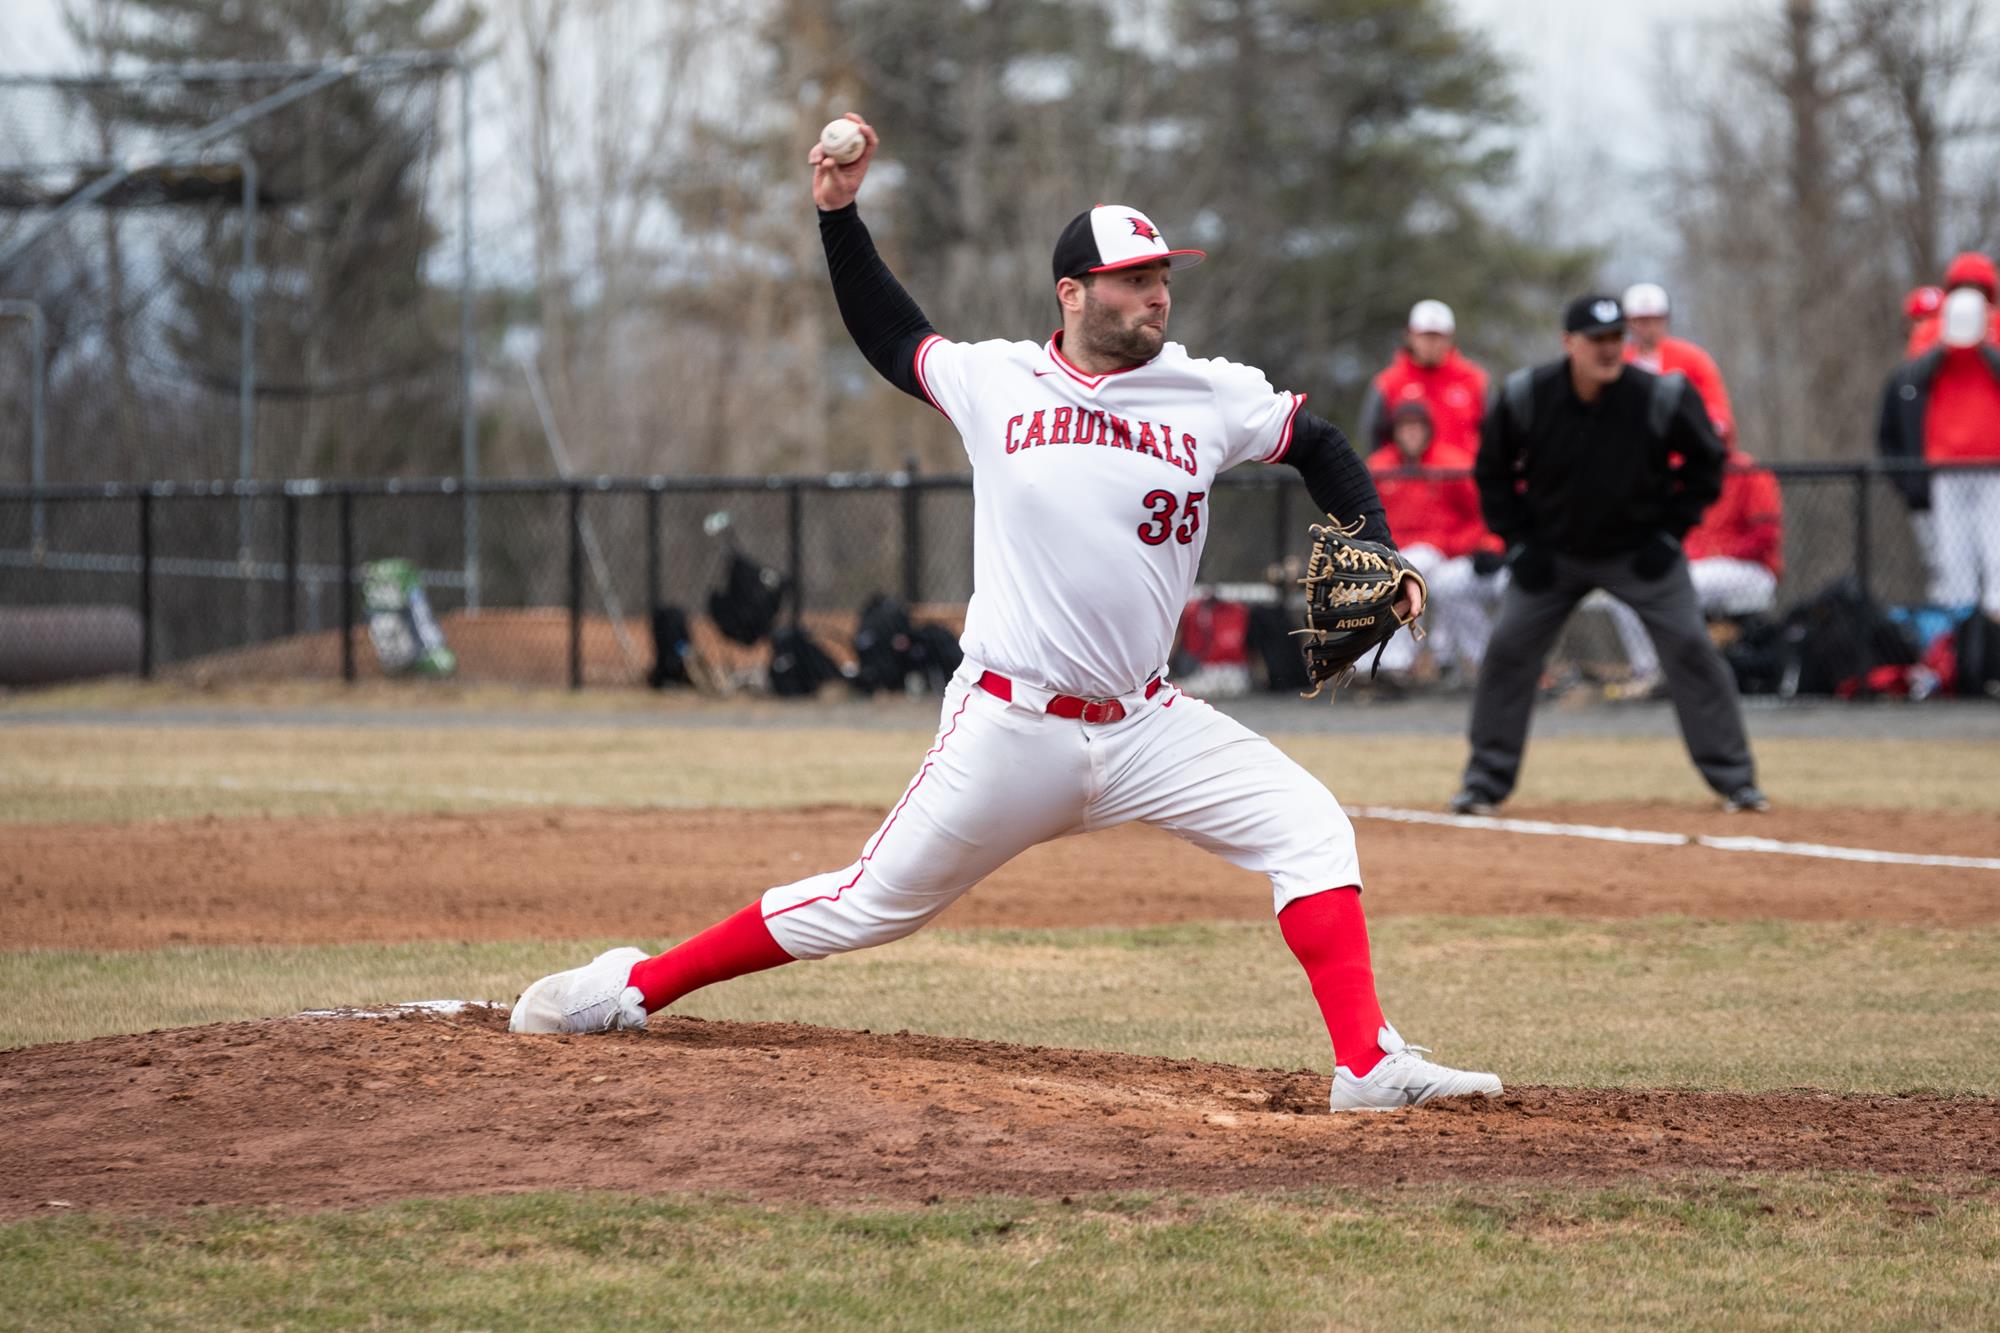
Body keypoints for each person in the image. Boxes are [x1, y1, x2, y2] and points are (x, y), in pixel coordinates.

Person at [508, 114, 1503, 1113]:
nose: (1156, 292)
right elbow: (891, 335)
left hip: (1149, 722)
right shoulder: (997, 380)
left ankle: (1366, 1065)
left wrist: (1375, 542)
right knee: (864, 905)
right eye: (1131, 277)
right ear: (1072, 293)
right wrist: (839, 217)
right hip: (1010, 723)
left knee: (1307, 828)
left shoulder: (1207, 391)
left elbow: (1319, 442)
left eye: (1162, 275)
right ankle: (631, 987)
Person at [1450, 294, 1767, 815]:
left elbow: (1708, 464)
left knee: (1691, 646)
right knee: (1507, 650)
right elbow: (1492, 471)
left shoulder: (1659, 395)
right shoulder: (1528, 394)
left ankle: (1736, 781)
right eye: (1596, 339)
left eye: (1616, 337)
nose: (1608, 349)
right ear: (1568, 343)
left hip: (1640, 554)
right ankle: (1483, 783)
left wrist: (1671, 532)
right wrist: (1519, 543)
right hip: (1551, 556)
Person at [1609, 442, 1785, 695]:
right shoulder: (1680, 476)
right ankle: (1649, 672)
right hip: (1697, 568)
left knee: (1685, 583)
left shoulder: (1748, 471)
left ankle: (1681, 670)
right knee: (1624, 591)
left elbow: (1766, 537)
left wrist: (1721, 551)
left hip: (1750, 571)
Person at [1886, 252, 2000, 623]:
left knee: (1996, 560)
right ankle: (1960, 649)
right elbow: (1910, 380)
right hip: (1947, 464)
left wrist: (1982, 343)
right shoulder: (1932, 331)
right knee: (1954, 567)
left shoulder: (1997, 326)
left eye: (1977, 290)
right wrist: (1948, 344)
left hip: (1993, 463)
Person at [1367, 395, 1505, 683]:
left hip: (1441, 553)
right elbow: (1363, 518)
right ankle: (1373, 666)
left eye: (1418, 426)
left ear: (1429, 429)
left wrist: (1475, 545)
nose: (1412, 433)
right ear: (1394, 431)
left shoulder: (1452, 464)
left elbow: (1481, 515)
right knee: (1375, 574)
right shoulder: (1379, 466)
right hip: (1391, 551)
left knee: (1408, 570)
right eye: (1405, 427)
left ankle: (1399, 663)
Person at [1356, 299, 1489, 457]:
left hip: (1462, 479)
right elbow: (1372, 437)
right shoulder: (1388, 382)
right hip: (1406, 479)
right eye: (1425, 336)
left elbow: (1492, 434)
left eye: (1438, 336)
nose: (1431, 343)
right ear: (1410, 335)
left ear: (1450, 338)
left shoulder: (1473, 380)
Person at [1621, 283, 1735, 445]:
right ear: (1628, 322)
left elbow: (1718, 410)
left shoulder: (1692, 358)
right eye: (1642, 321)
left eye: (1656, 320)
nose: (1649, 327)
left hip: (1683, 451)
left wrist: (1698, 429)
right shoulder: (1617, 361)